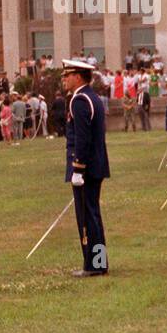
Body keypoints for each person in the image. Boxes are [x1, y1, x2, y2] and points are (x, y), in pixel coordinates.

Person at [60, 59, 109, 277]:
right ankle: (99, 262)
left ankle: (94, 265)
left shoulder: (79, 100)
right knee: (93, 215)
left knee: (88, 218)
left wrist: (78, 169)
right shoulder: (92, 97)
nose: (64, 79)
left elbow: (82, 137)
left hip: (86, 168)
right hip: (95, 164)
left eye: (67, 75)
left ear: (78, 77)